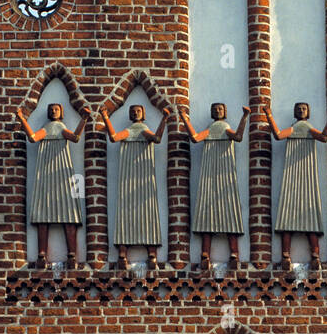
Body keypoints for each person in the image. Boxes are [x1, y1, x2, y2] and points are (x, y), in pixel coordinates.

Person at [17, 101, 88, 269]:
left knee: (69, 212)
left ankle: (71, 253)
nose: (54, 111)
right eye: (51, 109)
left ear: (61, 111)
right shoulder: (48, 127)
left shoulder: (60, 127)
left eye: (57, 109)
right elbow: (33, 137)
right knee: (43, 212)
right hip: (46, 172)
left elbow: (75, 137)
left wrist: (84, 119)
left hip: (63, 171)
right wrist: (22, 119)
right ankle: (42, 253)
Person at [101, 102, 170, 271]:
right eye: (133, 111)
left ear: (143, 114)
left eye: (139, 110)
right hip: (128, 177)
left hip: (144, 177)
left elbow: (156, 138)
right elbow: (114, 137)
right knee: (125, 211)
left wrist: (165, 119)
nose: (136, 113)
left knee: (147, 211)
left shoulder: (143, 129)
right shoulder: (130, 130)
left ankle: (151, 251)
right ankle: (123, 251)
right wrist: (105, 118)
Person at [181, 102, 251, 269]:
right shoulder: (211, 128)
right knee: (207, 211)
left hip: (225, 172)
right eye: (215, 109)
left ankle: (234, 252)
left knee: (229, 210)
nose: (218, 111)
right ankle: (205, 253)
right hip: (209, 172)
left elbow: (238, 136)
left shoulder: (225, 127)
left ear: (225, 111)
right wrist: (184, 119)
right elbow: (196, 137)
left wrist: (244, 117)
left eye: (220, 109)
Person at [267, 101, 327, 268]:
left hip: (307, 174)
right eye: (298, 108)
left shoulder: (307, 127)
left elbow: (324, 137)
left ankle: (315, 254)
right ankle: (285, 254)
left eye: (304, 108)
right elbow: (278, 134)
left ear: (308, 111)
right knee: (287, 213)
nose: (301, 110)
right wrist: (268, 115)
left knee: (310, 213)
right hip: (291, 174)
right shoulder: (294, 128)